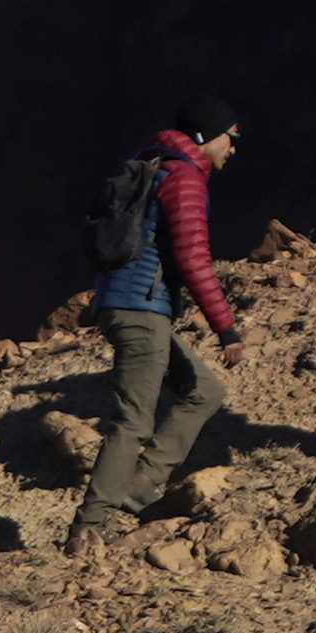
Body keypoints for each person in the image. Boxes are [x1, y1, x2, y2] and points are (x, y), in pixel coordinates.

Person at [72, 118, 245, 545]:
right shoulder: (183, 178)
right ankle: (89, 526)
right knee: (132, 420)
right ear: (205, 134)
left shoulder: (151, 163)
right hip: (141, 309)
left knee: (204, 390)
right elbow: (193, 259)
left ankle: (140, 481)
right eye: (231, 137)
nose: (233, 148)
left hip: (121, 303)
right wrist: (226, 328)